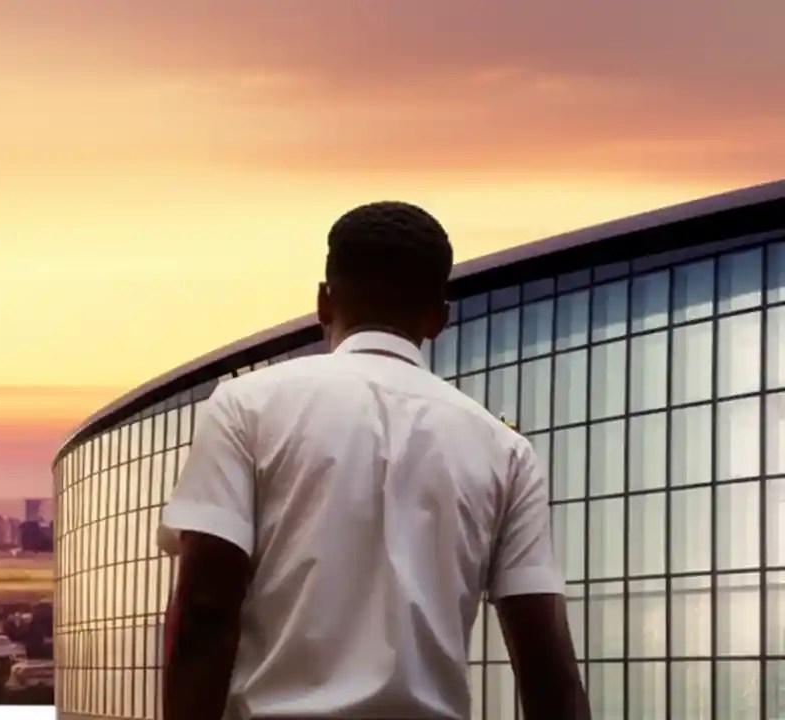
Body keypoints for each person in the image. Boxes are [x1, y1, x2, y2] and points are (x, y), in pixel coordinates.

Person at [157, 202, 589, 720]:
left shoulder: (246, 406)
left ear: (323, 301)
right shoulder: (506, 451)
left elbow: (205, 611)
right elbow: (548, 666)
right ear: (439, 317)